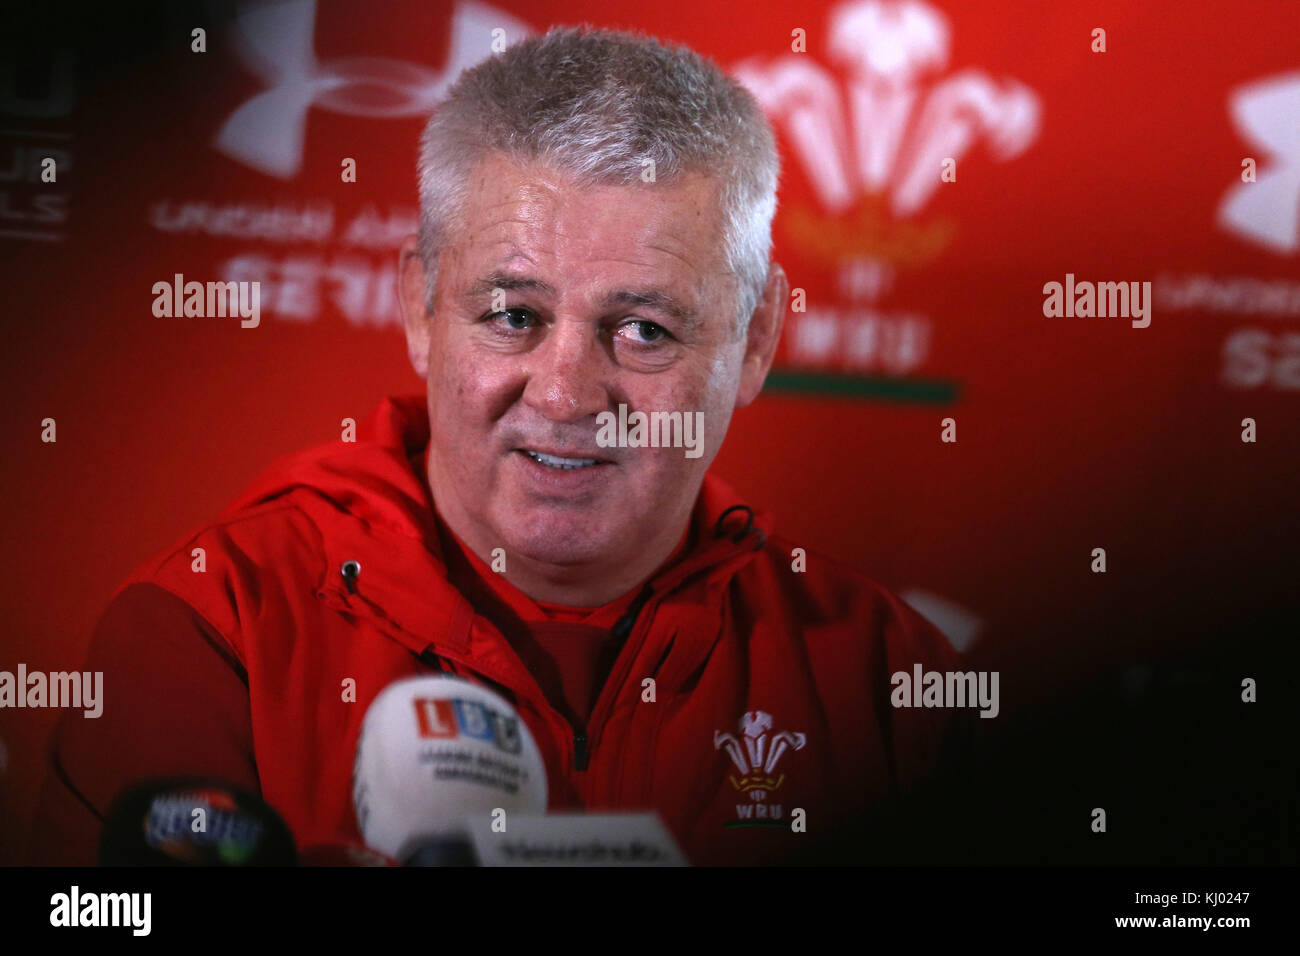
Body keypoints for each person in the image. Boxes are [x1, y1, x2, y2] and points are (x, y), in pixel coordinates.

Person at [32, 25, 965, 866]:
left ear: (756, 340)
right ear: (421, 311)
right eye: (513, 314)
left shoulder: (888, 681)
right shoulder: (211, 629)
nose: (563, 394)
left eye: (643, 330)